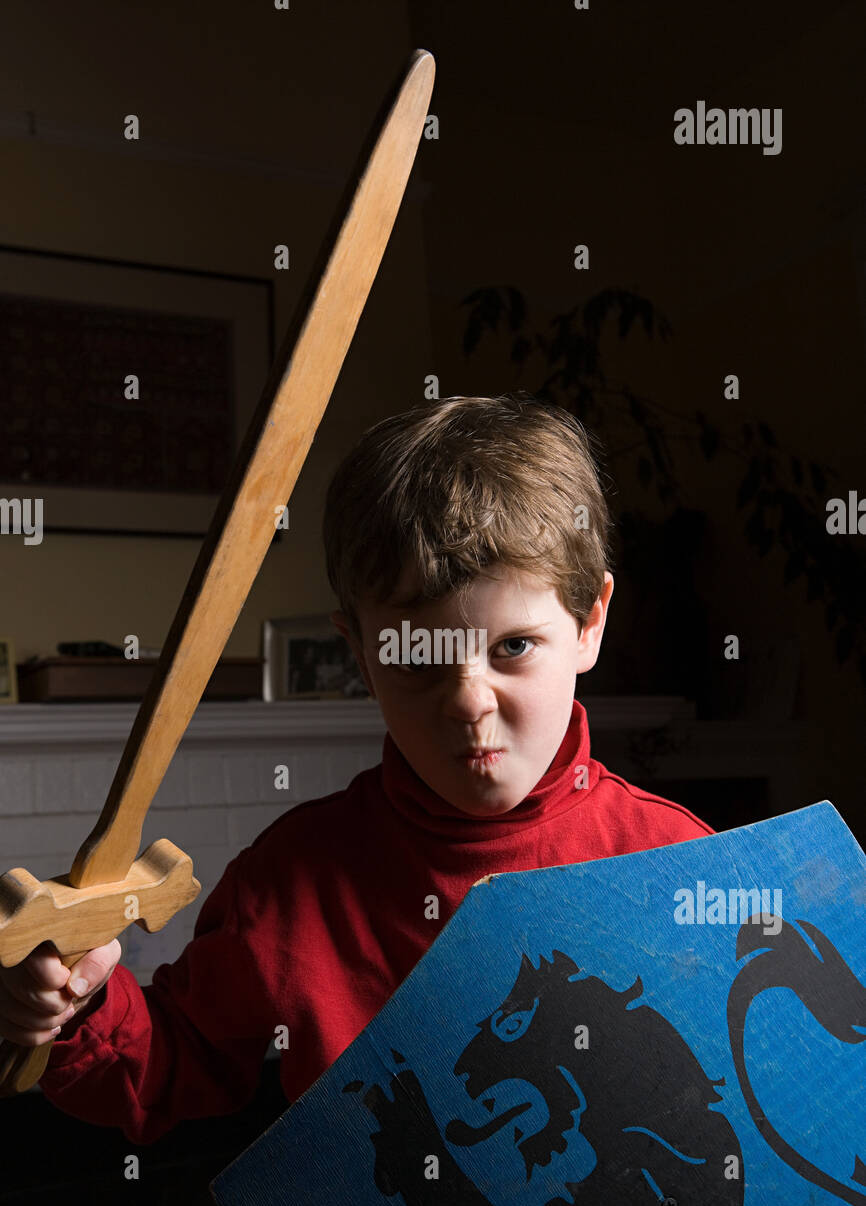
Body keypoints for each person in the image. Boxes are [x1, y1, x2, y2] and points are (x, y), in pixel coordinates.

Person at [0, 393, 712, 1143]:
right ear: (362, 656)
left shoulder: (682, 864)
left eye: (513, 647)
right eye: (416, 655)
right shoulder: (287, 886)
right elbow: (171, 1063)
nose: (468, 701)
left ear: (588, 624)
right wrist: (77, 1004)